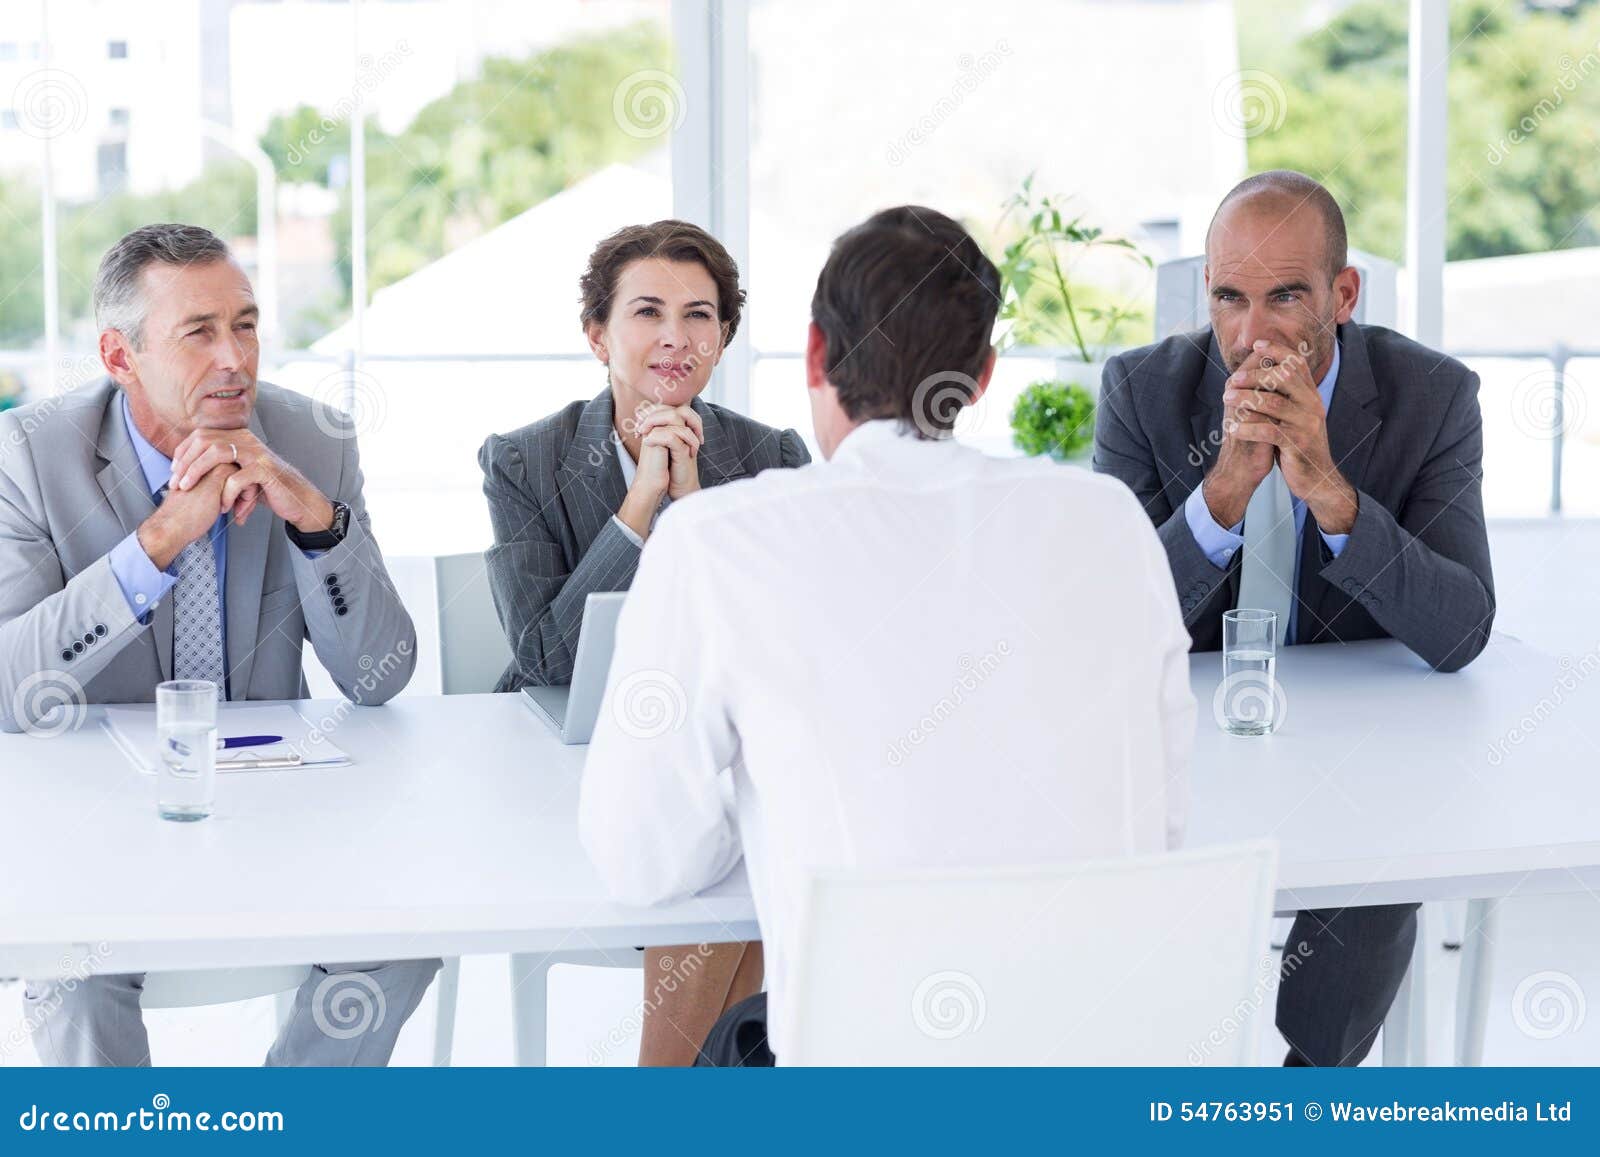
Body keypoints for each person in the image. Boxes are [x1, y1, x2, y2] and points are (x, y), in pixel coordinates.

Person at [578, 206, 1196, 1065]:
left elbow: (639, 860)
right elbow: (1160, 824)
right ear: (981, 375)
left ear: (816, 355)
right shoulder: (1109, 523)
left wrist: (757, 793)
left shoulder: (720, 539)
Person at [0, 223, 438, 1066]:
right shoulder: (28, 452)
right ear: (119, 357)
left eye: (245, 324)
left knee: (400, 937)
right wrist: (158, 541)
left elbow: (381, 677)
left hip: (277, 809)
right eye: (197, 332)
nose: (234, 357)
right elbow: (12, 689)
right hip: (94, 828)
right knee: (71, 976)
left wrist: (318, 525)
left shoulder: (315, 441)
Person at [1093, 170, 1496, 1065]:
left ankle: (1310, 1090)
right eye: (1230, 297)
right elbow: (1107, 623)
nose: (1253, 333)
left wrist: (1331, 494)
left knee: (1381, 855)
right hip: (1189, 743)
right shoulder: (1140, 392)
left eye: (1286, 297)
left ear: (1342, 295)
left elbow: (1462, 628)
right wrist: (1224, 491)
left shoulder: (1431, 398)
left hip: (1356, 752)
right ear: (1207, 291)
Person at [479, 219, 807, 1065]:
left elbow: (789, 644)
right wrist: (641, 509)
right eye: (648, 312)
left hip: (715, 763)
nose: (675, 336)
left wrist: (696, 513)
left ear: (724, 338)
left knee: (743, 838)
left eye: (701, 315)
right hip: (564, 775)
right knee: (731, 857)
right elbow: (545, 657)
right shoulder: (525, 459)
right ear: (598, 334)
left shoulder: (771, 455)